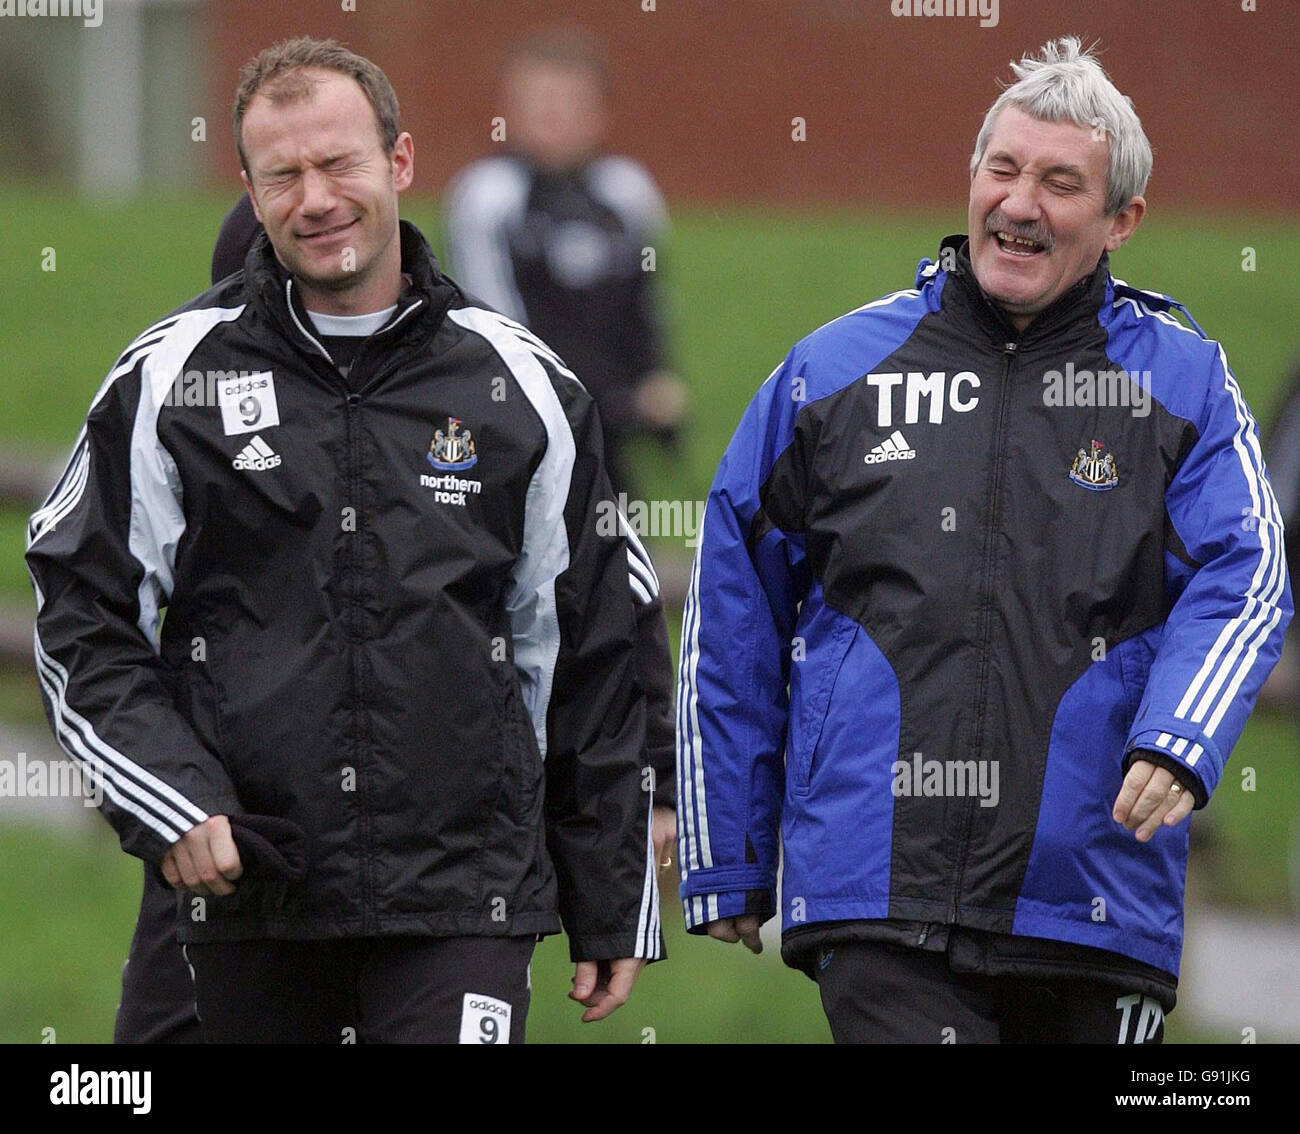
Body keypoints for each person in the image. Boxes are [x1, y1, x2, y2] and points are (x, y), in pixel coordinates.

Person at [28, 36, 663, 1044]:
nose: (316, 197)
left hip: (463, 902)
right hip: (250, 894)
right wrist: (175, 800)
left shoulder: (522, 389)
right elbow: (78, 614)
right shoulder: (169, 381)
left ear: (399, 165)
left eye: (339, 163)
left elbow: (594, 641)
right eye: (283, 174)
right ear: (248, 186)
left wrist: (608, 887)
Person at [676, 37, 1291, 1044]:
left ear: (1120, 220)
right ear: (971, 177)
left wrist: (1182, 738)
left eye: (1060, 183)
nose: (1019, 203)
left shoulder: (1182, 383)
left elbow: (1247, 572)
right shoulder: (829, 373)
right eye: (1001, 169)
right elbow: (731, 605)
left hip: (1093, 896)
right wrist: (730, 851)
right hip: (877, 894)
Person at [442, 26, 687, 498]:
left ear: (599, 114)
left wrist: (656, 381)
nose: (552, 118)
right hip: (519, 426)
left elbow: (649, 305)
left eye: (568, 104)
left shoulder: (628, 191)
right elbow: (498, 331)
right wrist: (604, 399)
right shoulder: (486, 196)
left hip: (610, 426)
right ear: (509, 111)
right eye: (538, 104)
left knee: (620, 551)